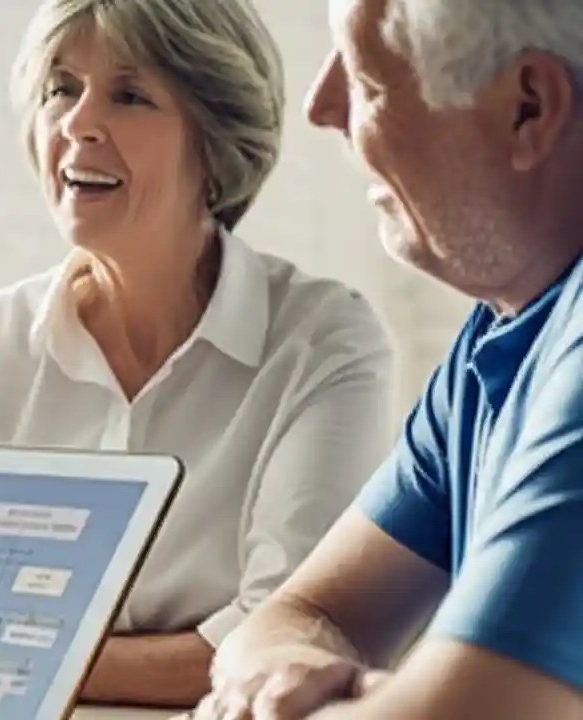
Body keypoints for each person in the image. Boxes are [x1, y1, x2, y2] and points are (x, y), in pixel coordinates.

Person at [0, 0, 396, 708]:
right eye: (61, 87)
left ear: (215, 143)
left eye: (129, 95)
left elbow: (287, 634)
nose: (77, 122)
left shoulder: (323, 343)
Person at [188, 1, 583, 718]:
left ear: (529, 107)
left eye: (367, 81)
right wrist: (295, 676)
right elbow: (293, 617)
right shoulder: (498, 334)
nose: (320, 107)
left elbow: (479, 712)